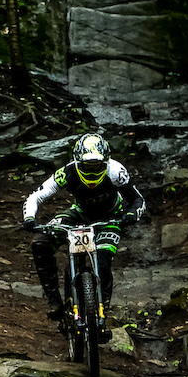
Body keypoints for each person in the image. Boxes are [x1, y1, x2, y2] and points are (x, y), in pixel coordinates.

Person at [21, 133, 146, 330]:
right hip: (79, 214)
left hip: (110, 218)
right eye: (88, 165)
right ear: (78, 161)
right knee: (40, 243)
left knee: (103, 262)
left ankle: (101, 310)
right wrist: (29, 218)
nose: (93, 169)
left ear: (106, 161)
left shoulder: (116, 171)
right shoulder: (68, 172)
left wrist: (131, 214)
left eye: (97, 165)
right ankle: (55, 302)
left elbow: (137, 198)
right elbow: (36, 196)